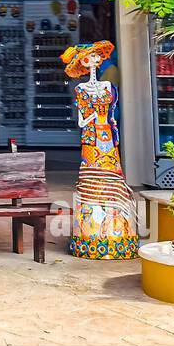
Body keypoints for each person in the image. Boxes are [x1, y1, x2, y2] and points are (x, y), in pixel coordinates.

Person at [61, 40, 139, 260]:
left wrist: (111, 131)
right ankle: (94, 232)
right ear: (83, 63)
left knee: (113, 176)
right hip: (91, 138)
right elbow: (81, 122)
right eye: (88, 58)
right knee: (92, 178)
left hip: (109, 139)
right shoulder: (81, 89)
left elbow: (113, 115)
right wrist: (95, 117)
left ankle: (118, 229)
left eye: (96, 56)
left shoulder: (108, 87)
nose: (93, 61)